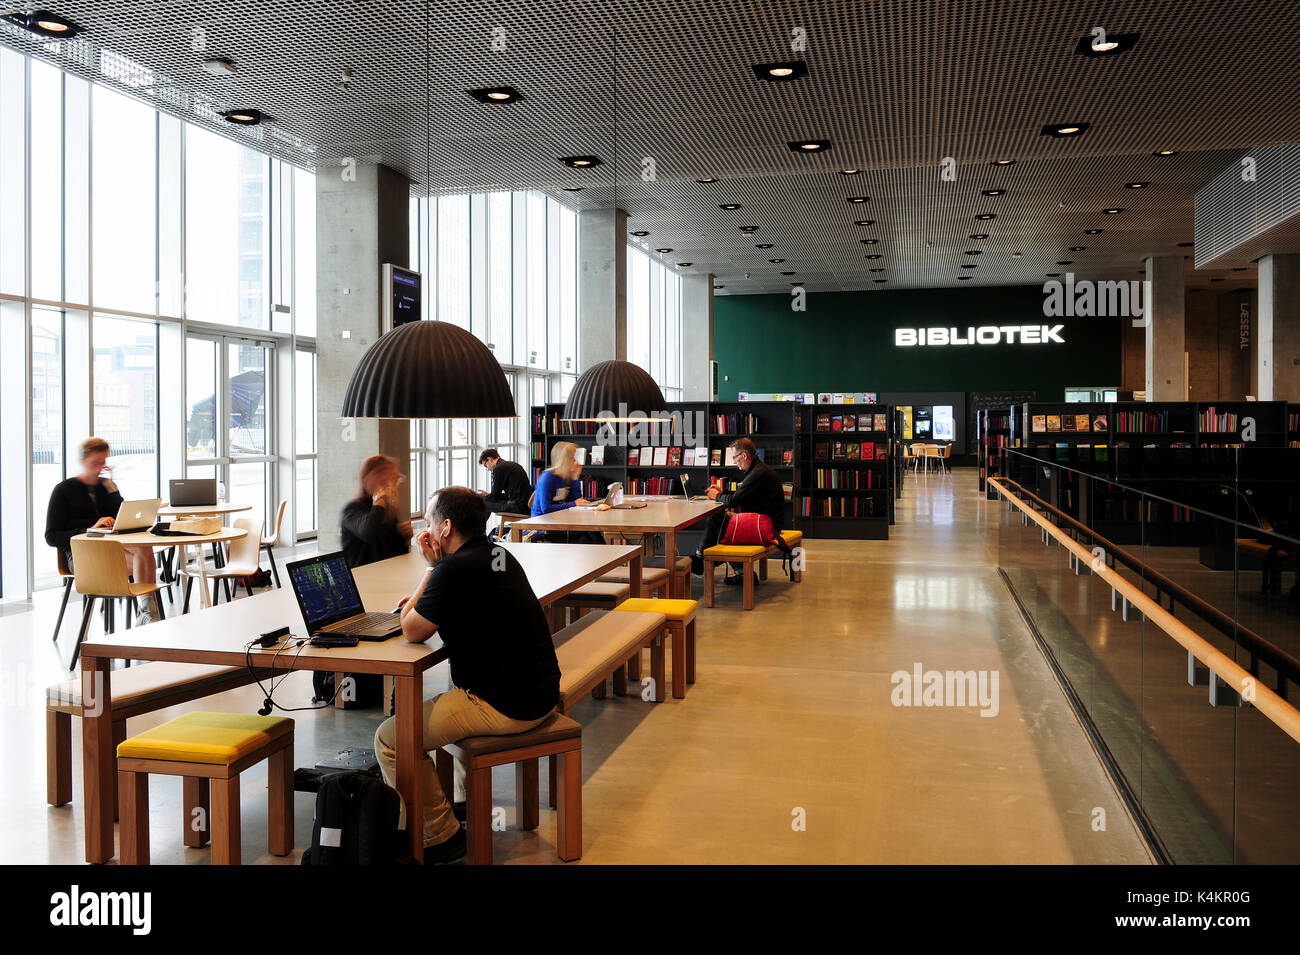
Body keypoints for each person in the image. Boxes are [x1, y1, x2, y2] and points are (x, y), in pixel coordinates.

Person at [373, 487, 561, 863]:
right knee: (447, 698)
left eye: (427, 521)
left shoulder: (452, 568)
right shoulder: (496, 553)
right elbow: (431, 608)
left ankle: (441, 836)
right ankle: (459, 810)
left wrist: (429, 569)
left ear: (445, 528)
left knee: (391, 738)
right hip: (541, 690)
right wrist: (432, 581)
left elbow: (411, 630)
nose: (423, 529)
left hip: (503, 703)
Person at [45, 437, 162, 624]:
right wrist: (90, 529)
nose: (100, 467)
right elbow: (51, 536)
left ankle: (148, 613)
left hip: (111, 551)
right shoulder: (63, 490)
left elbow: (122, 520)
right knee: (143, 558)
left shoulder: (105, 488)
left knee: (144, 549)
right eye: (95, 463)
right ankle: (149, 615)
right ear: (83, 462)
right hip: (82, 556)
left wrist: (113, 490)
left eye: (103, 462)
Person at [692, 438, 785, 585]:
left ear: (745, 456)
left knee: (719, 518)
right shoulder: (758, 469)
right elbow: (742, 494)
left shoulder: (757, 473)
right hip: (764, 521)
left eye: (735, 457)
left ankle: (700, 558)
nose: (734, 461)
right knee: (723, 521)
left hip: (767, 526)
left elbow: (733, 501)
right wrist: (723, 491)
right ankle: (737, 571)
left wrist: (717, 495)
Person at [339, 455, 413, 569]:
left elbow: (395, 553)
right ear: (372, 479)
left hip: (385, 575)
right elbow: (369, 533)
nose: (394, 484)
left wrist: (403, 537)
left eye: (394, 479)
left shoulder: (386, 509)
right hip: (362, 579)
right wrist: (380, 498)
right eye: (389, 479)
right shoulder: (352, 509)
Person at [530, 441, 604, 543]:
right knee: (587, 535)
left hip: (560, 521)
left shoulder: (567, 476)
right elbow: (546, 509)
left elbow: (577, 500)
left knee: (589, 533)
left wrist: (575, 477)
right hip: (543, 526)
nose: (576, 461)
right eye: (573, 458)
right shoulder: (548, 477)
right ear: (564, 460)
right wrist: (573, 504)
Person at [478, 448, 532, 515]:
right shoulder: (512, 465)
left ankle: (478, 525)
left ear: (489, 459)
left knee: (479, 502)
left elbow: (494, 497)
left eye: (486, 465)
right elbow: (509, 494)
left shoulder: (498, 469)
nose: (488, 469)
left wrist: (479, 497)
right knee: (484, 499)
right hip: (526, 505)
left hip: (518, 507)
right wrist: (489, 495)